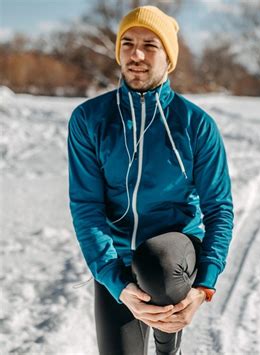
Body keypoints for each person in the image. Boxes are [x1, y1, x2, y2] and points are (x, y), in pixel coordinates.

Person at [67, 5, 234, 355]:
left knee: (156, 260)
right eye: (127, 43)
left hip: (171, 257)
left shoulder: (195, 125)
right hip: (117, 260)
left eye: (150, 45)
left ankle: (166, 345)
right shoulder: (89, 120)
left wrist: (203, 287)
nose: (136, 54)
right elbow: (87, 206)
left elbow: (219, 208)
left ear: (169, 58)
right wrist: (116, 281)